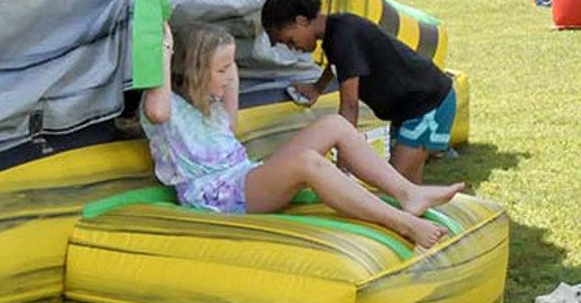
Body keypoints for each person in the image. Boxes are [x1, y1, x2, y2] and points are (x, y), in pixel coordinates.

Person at [140, 21, 462, 250]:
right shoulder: (167, 111)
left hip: (244, 177)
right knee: (307, 163)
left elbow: (230, 121)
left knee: (334, 126)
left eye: (231, 68)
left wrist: (228, 60)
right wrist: (164, 50)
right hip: (219, 198)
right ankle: (403, 223)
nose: (230, 76)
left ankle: (408, 192)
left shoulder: (210, 105)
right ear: (195, 71)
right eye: (222, 70)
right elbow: (156, 109)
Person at [262, 0, 455, 184]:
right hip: (409, 108)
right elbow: (337, 63)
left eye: (290, 41)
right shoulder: (336, 29)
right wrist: (317, 87)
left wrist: (346, 152)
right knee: (407, 186)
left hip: (428, 102)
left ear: (301, 20)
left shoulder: (343, 37)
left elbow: (350, 106)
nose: (294, 48)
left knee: (396, 186)